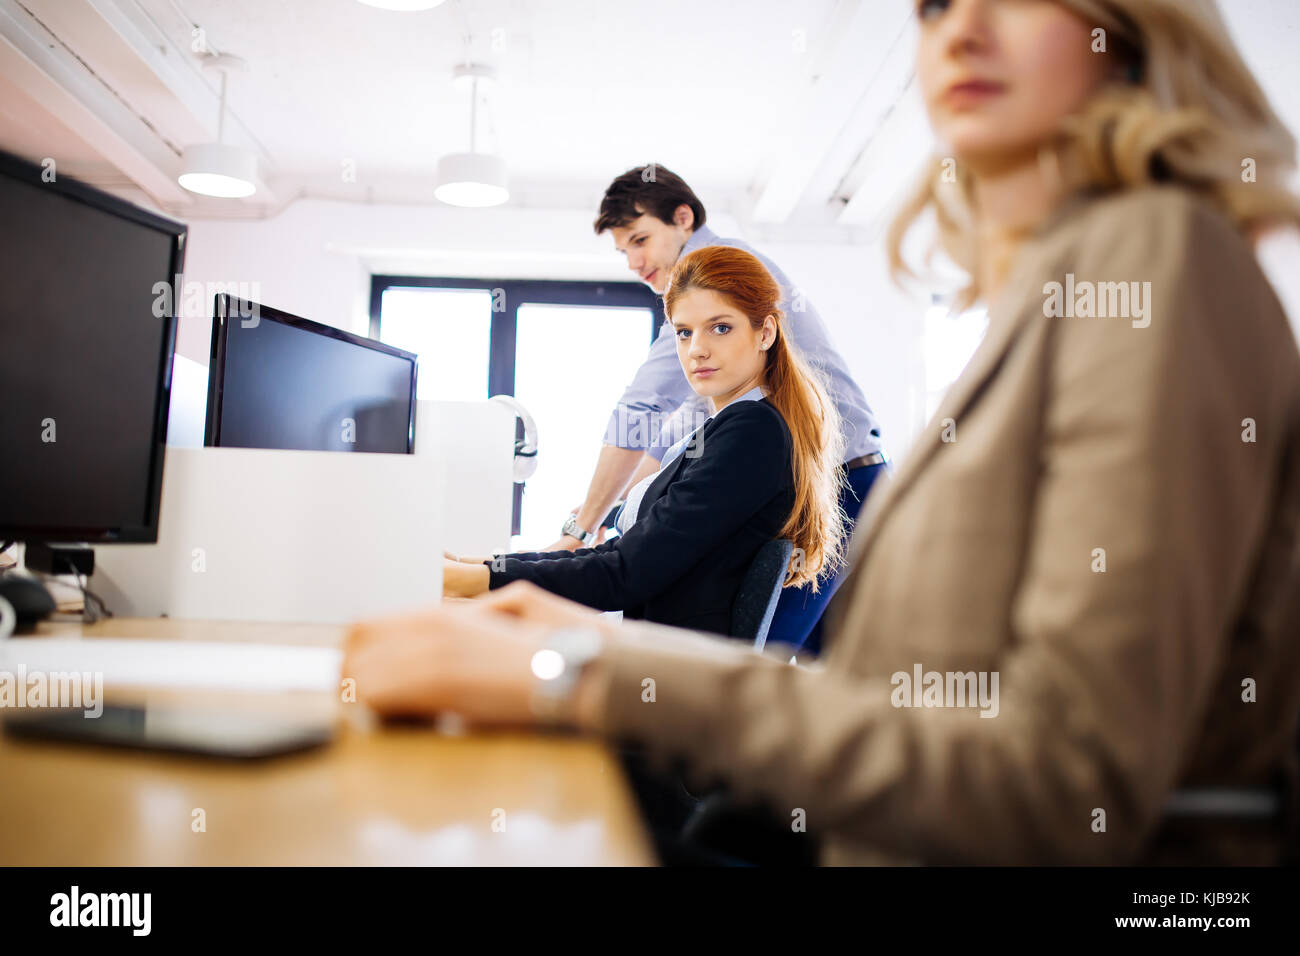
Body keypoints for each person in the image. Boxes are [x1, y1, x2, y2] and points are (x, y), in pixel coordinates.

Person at [344, 0, 1300, 865]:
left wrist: (578, 667)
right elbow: (896, 706)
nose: (958, 29)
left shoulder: (1157, 263)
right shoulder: (1057, 290)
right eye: (934, 5)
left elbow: (1064, 777)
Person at [542, 165, 886, 652]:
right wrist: (622, 508)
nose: (634, 264)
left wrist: (582, 528)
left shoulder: (714, 272)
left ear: (683, 218)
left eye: (640, 240)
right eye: (624, 251)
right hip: (849, 481)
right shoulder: (727, 371)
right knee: (806, 668)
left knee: (756, 664)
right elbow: (675, 435)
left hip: (841, 487)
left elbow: (642, 407)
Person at [441, 244, 846, 639]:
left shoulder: (751, 432)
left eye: (720, 327)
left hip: (667, 674)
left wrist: (475, 581)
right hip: (657, 655)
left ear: (766, 333)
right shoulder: (732, 426)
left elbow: (624, 574)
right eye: (684, 333)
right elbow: (621, 555)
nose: (698, 350)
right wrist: (484, 566)